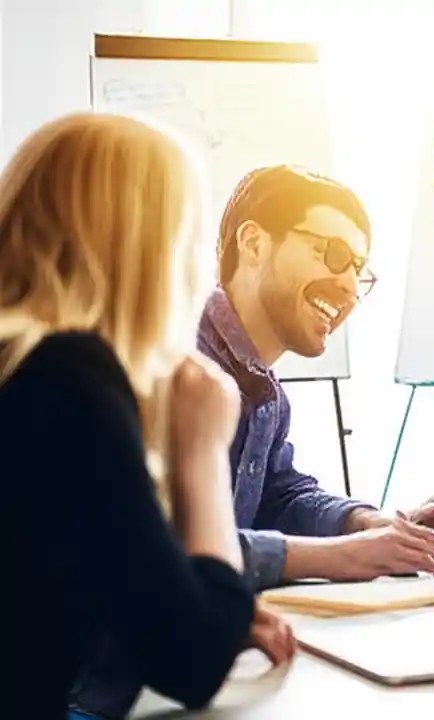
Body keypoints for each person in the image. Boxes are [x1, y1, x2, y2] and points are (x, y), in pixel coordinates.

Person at [0, 113, 282, 718]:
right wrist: (202, 450)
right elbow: (192, 659)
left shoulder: (18, 362)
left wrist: (208, 603)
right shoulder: (64, 377)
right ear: (153, 252)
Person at [201, 165, 434, 590]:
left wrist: (368, 523)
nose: (350, 288)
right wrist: (342, 556)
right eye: (334, 255)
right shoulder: (174, 363)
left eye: (359, 271)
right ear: (254, 243)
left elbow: (277, 497)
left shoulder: (267, 395)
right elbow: (163, 544)